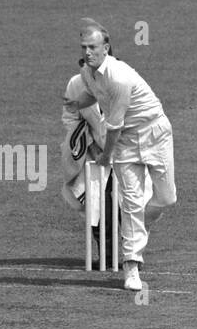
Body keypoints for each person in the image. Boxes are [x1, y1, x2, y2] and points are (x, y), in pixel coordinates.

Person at [63, 18, 176, 290]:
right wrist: (76, 104)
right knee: (132, 203)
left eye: (92, 47)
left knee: (166, 198)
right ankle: (131, 268)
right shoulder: (87, 73)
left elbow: (114, 126)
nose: (87, 52)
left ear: (106, 48)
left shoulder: (119, 76)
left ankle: (135, 228)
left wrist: (105, 157)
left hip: (154, 132)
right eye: (84, 47)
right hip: (127, 142)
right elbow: (94, 94)